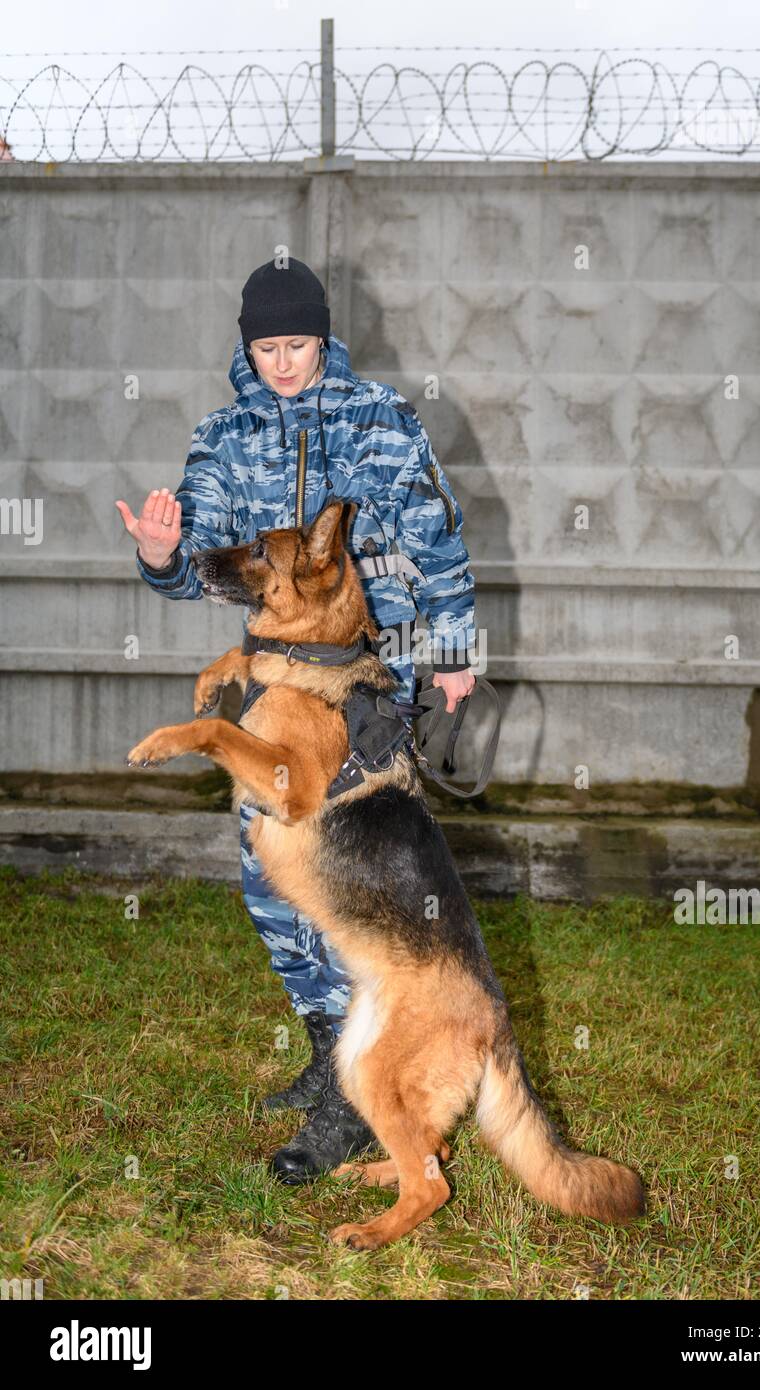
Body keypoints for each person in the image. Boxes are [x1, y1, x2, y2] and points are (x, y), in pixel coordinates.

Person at [116, 256, 476, 1182]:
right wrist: (160, 554)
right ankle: (330, 1043)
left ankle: (362, 1089)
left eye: (298, 343)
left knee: (355, 877)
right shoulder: (224, 435)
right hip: (279, 680)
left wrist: (456, 655)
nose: (283, 362)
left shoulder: (382, 420)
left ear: (325, 336)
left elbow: (439, 537)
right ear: (248, 347)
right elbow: (202, 562)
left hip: (374, 679)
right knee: (269, 866)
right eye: (267, 346)